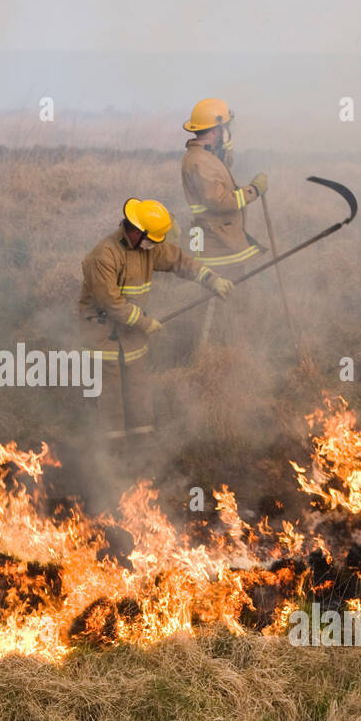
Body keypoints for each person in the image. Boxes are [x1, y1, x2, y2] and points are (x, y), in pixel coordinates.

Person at [78, 197, 233, 464]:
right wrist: (145, 322)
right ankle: (114, 455)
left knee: (139, 385)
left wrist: (211, 279)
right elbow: (111, 304)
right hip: (102, 332)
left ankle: (144, 446)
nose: (156, 246)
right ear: (136, 231)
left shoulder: (149, 247)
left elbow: (180, 261)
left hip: (133, 330)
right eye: (153, 240)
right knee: (111, 389)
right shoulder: (103, 256)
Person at [181, 98, 268, 346]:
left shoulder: (206, 157)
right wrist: (253, 190)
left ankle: (233, 347)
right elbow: (219, 201)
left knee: (233, 300)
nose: (227, 131)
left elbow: (221, 169)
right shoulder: (199, 161)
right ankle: (217, 354)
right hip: (216, 244)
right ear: (216, 129)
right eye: (224, 128)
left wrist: (225, 147)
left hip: (222, 241)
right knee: (222, 303)